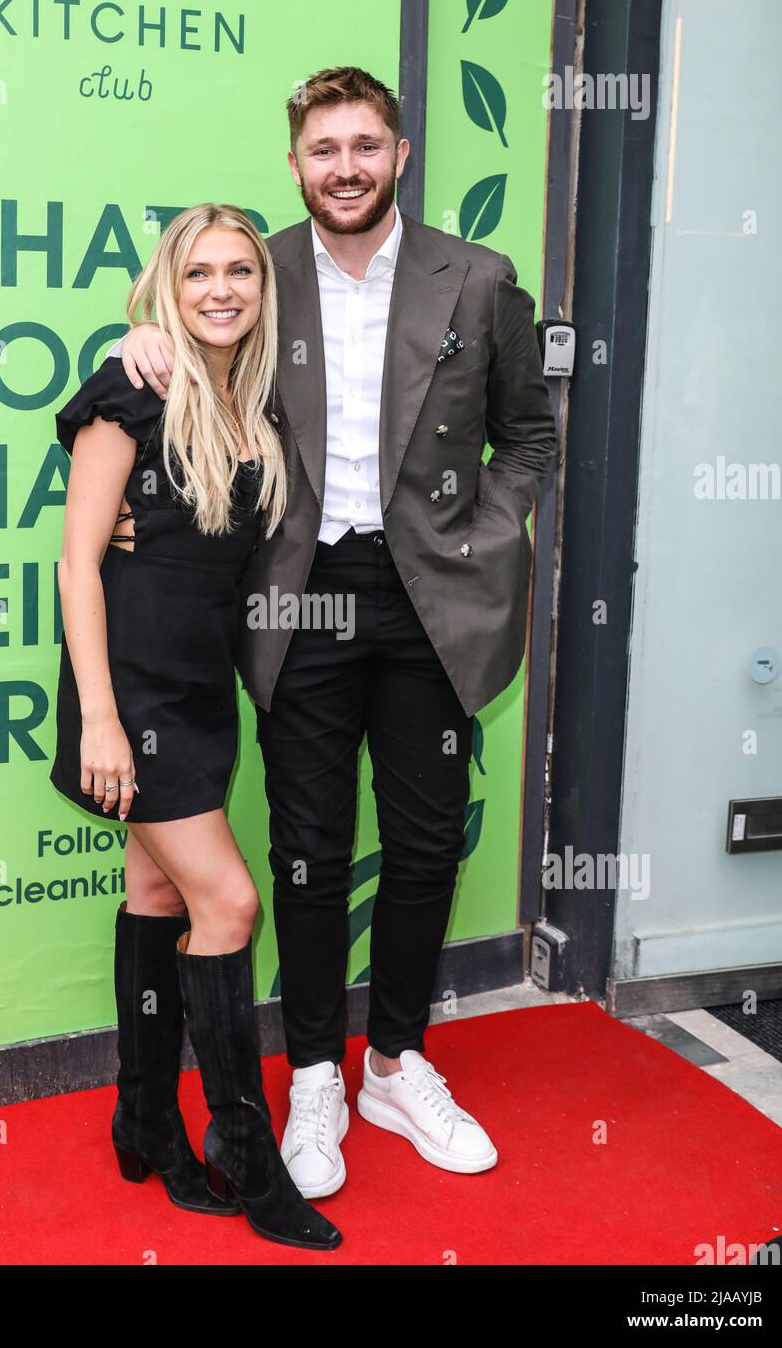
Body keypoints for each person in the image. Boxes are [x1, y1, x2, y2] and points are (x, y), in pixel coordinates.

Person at [116, 68, 559, 1201]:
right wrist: (134, 344)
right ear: (295, 162)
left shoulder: (478, 276)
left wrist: (490, 530)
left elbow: (528, 434)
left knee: (421, 846)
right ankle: (313, 1069)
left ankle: (395, 1064)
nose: (345, 166)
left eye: (365, 145)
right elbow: (185, 320)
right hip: (296, 593)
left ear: (399, 155)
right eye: (323, 149)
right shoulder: (258, 274)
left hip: (433, 596)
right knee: (306, 854)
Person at [49, 202, 341, 1251]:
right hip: (132, 694)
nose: (220, 289)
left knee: (156, 887)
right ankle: (247, 1157)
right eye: (198, 273)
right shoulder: (133, 385)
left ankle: (141, 1120)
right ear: (166, 286)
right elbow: (77, 560)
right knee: (229, 902)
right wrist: (99, 721)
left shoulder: (243, 399)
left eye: (241, 273)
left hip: (199, 689)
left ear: (262, 291)